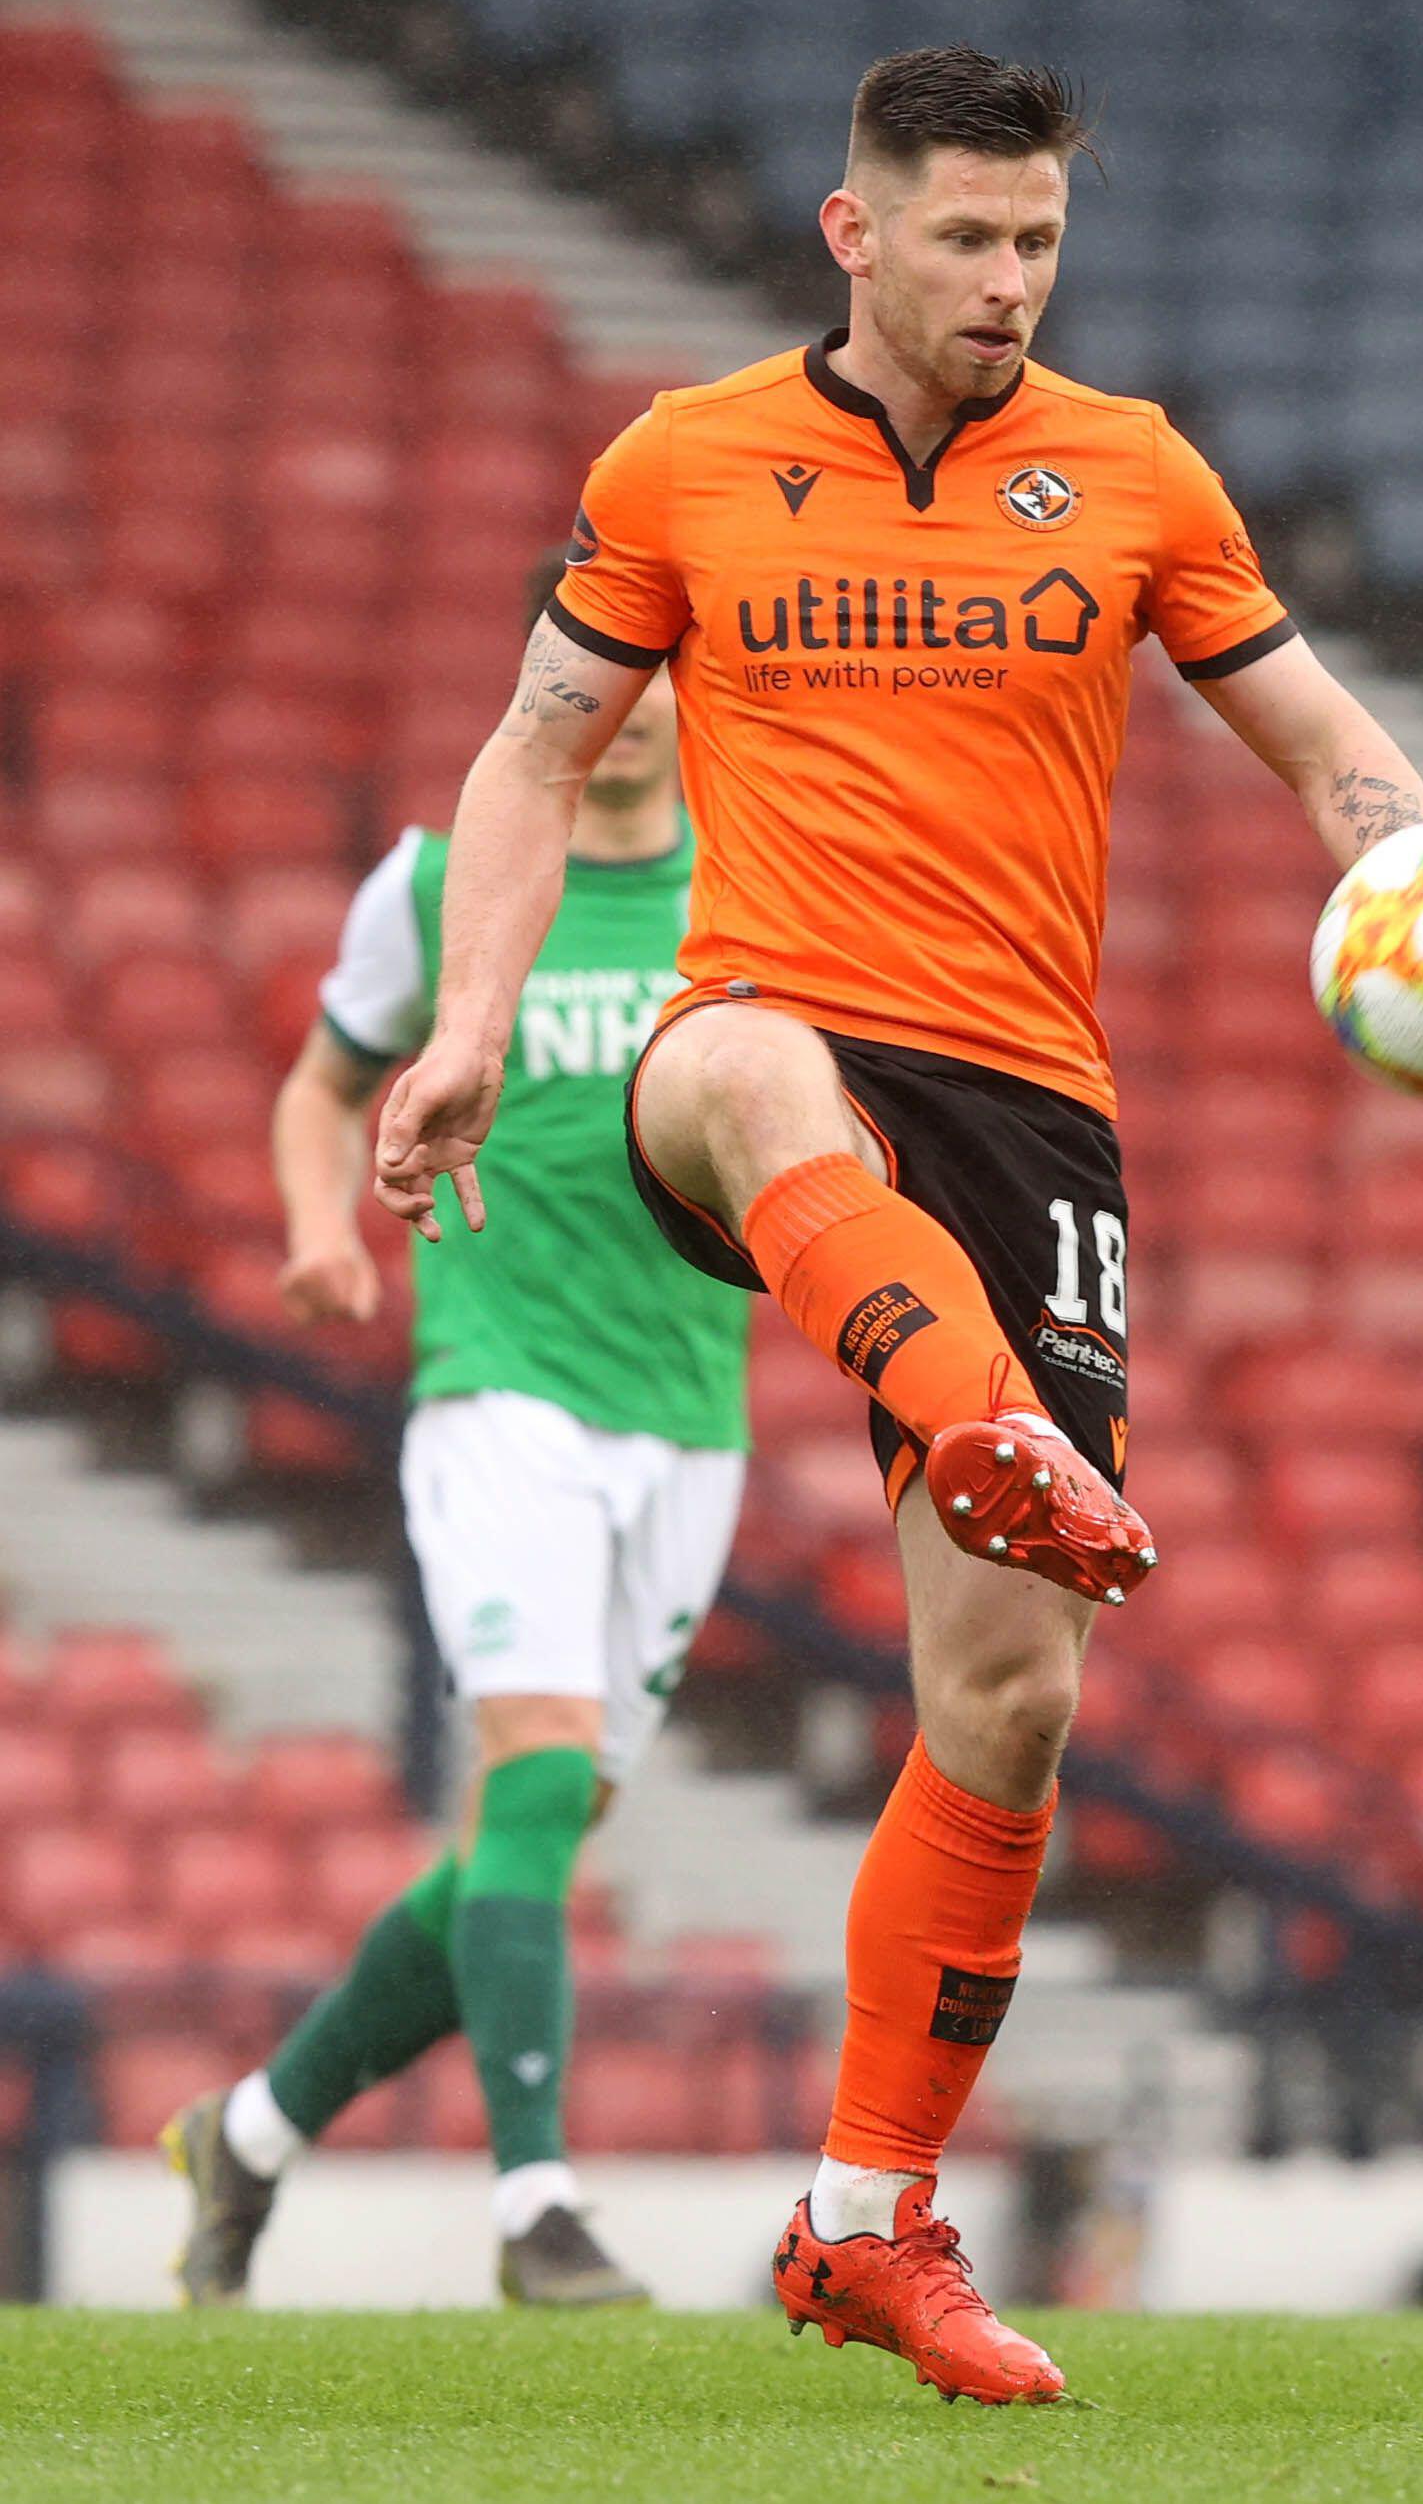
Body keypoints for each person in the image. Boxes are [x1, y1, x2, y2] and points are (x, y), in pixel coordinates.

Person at [374, 47, 1423, 2400]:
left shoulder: (1130, 478)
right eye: (968, 239)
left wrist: (1421, 880)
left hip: (1028, 1110)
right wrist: (471, 1015)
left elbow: (1318, 735)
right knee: (711, 1066)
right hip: (780, 1022)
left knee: (1006, 1699)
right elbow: (531, 748)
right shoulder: (682, 464)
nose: (1008, 281)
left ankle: (860, 2224)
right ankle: (963, 1406)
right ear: (855, 231)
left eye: (1037, 243)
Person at [164, 552, 751, 2309]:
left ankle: (250, 2137)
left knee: (527, 1828)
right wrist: (319, 1224)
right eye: (600, 671)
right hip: (497, 1390)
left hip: (690, 1420)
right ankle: (535, 2211)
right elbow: (322, 1083)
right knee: (545, 1778)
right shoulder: (438, 884)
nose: (626, 704)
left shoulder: (749, 895)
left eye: (658, 674)